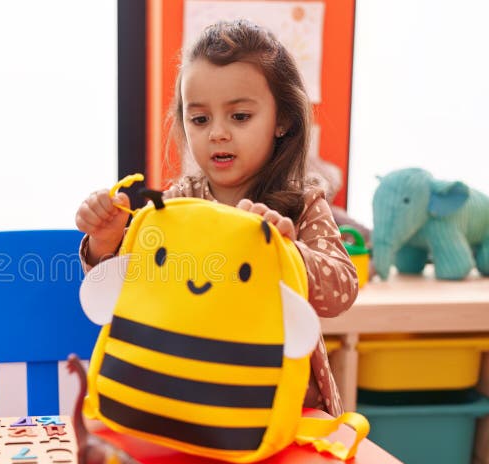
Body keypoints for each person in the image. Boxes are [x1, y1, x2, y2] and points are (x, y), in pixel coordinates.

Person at [74, 19, 358, 416]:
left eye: (240, 117)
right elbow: (125, 292)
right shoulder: (174, 205)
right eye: (200, 119)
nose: (217, 133)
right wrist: (106, 241)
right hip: (190, 399)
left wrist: (288, 253)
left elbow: (341, 291)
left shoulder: (303, 202)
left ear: (283, 121)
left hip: (283, 409)